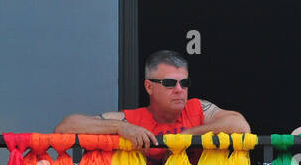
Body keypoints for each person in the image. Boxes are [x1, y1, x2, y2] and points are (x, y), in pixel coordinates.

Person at [55, 50, 250, 156]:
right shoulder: (131, 119)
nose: (179, 89)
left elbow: (241, 126)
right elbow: (65, 127)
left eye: (184, 83)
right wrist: (120, 128)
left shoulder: (198, 108)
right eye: (169, 83)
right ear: (149, 87)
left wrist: (187, 135)